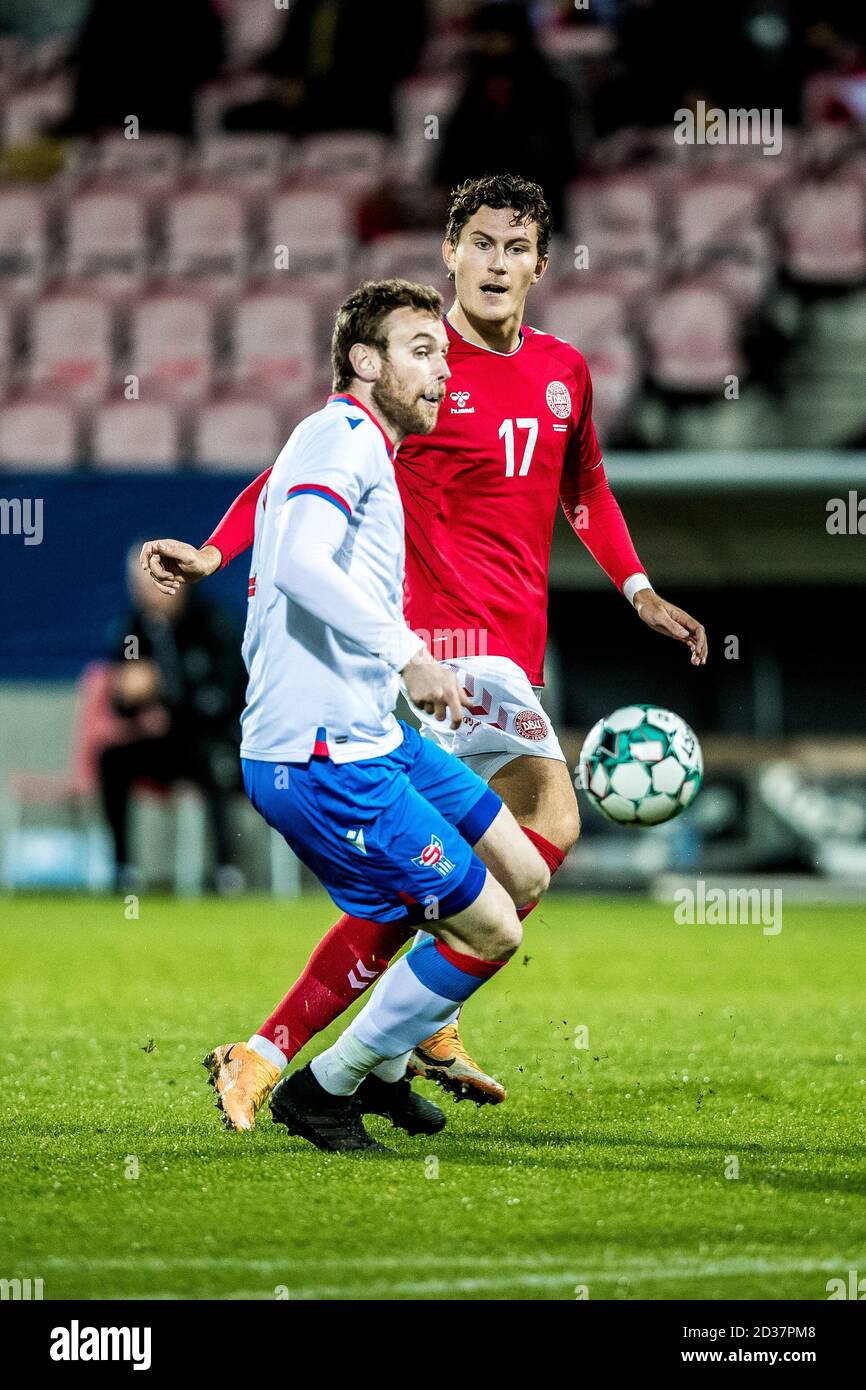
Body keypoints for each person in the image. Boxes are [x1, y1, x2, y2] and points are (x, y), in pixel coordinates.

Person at [142, 173, 707, 1129]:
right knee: (549, 825)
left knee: (454, 876)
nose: (496, 263)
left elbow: (587, 489)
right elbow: (297, 477)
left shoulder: (563, 370)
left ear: (539, 262)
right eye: (479, 243)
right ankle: (395, 1034)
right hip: (441, 648)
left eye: (515, 247)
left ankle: (345, 1035)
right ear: (449, 253)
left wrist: (638, 588)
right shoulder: (416, 371)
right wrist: (216, 548)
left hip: (512, 643)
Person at [207, 277, 549, 1151]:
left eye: (444, 353)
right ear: (365, 361)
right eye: (422, 351)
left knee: (523, 871)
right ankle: (328, 1086)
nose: (443, 372)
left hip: (374, 736)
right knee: (489, 929)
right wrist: (409, 653)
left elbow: (286, 530)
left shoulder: (352, 444)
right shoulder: (343, 435)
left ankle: (368, 1061)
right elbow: (302, 568)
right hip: (323, 759)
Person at [100, 546, 246, 893]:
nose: (145, 590)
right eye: (138, 582)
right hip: (172, 742)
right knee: (113, 761)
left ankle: (226, 871)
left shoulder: (213, 621)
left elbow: (224, 699)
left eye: (152, 580)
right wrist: (126, 695)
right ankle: (123, 870)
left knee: (216, 763)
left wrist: (163, 685)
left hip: (218, 738)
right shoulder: (134, 628)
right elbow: (124, 708)